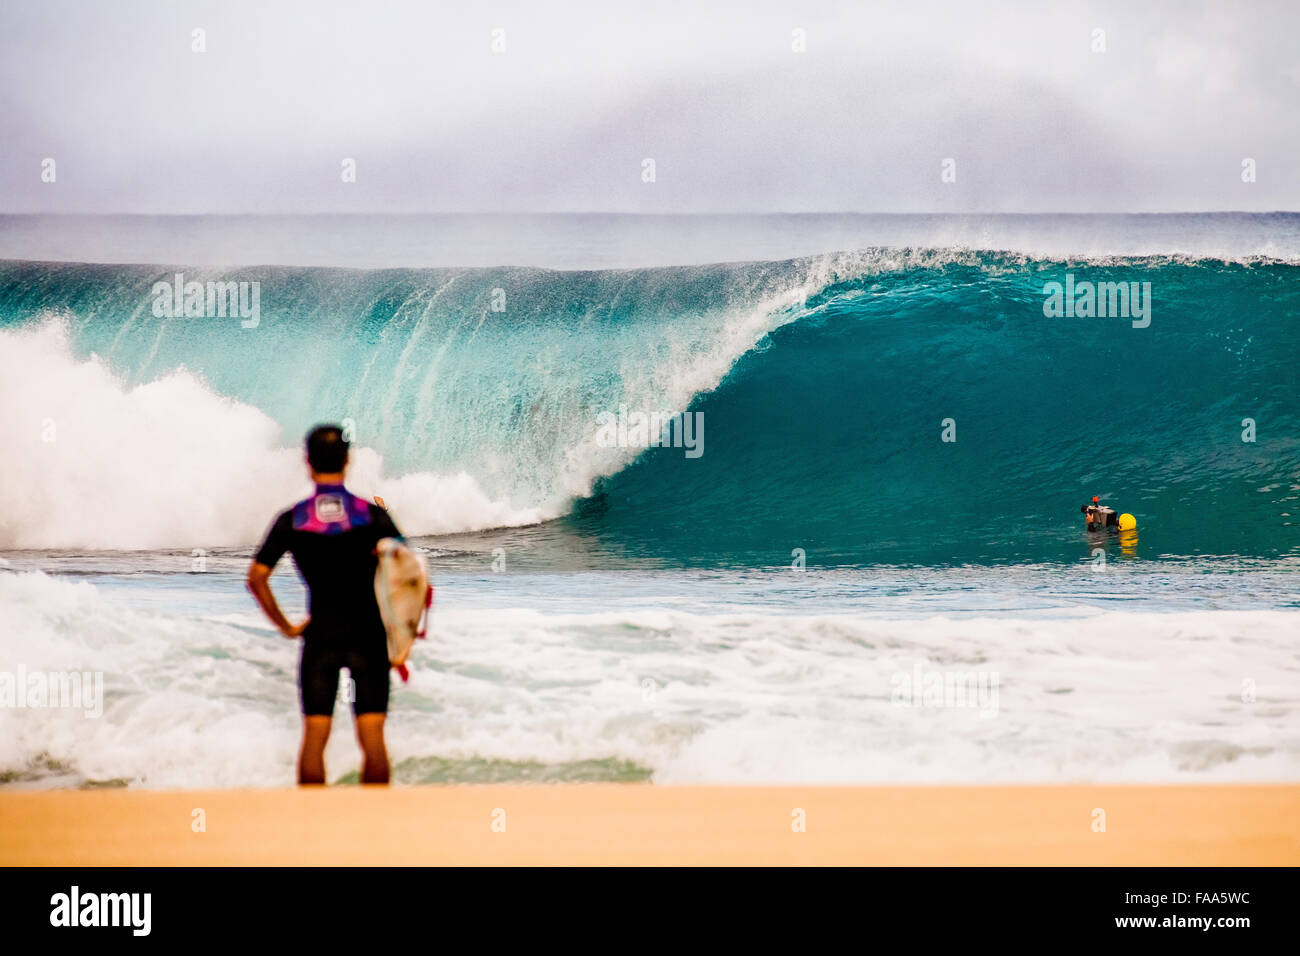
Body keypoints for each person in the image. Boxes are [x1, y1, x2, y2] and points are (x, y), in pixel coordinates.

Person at [247, 425, 402, 785]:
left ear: (307, 462)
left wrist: (286, 626)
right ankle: (376, 828)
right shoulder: (371, 515)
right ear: (348, 461)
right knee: (373, 737)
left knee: (315, 737)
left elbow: (256, 576)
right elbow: (407, 570)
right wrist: (400, 633)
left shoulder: (293, 519)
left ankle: (311, 830)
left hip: (321, 636)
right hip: (368, 634)